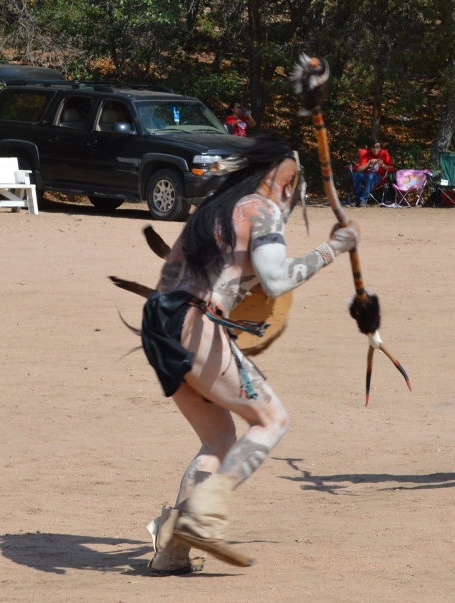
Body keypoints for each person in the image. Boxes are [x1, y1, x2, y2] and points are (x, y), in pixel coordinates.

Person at [141, 132, 360, 574]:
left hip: (158, 320)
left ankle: (172, 552)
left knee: (218, 440)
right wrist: (333, 249)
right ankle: (201, 519)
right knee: (272, 419)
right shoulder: (260, 210)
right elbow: (277, 279)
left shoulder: (219, 208)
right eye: (292, 184)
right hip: (192, 321)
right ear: (284, 182)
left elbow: (237, 276)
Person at [348, 139, 393, 207]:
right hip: (367, 175)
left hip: (380, 177)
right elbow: (358, 170)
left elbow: (392, 169)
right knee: (355, 175)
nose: (375, 149)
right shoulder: (367, 155)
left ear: (380, 148)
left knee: (371, 176)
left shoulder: (384, 154)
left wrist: (382, 165)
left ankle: (363, 199)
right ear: (370, 148)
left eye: (377, 147)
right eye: (373, 147)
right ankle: (358, 200)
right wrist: (368, 163)